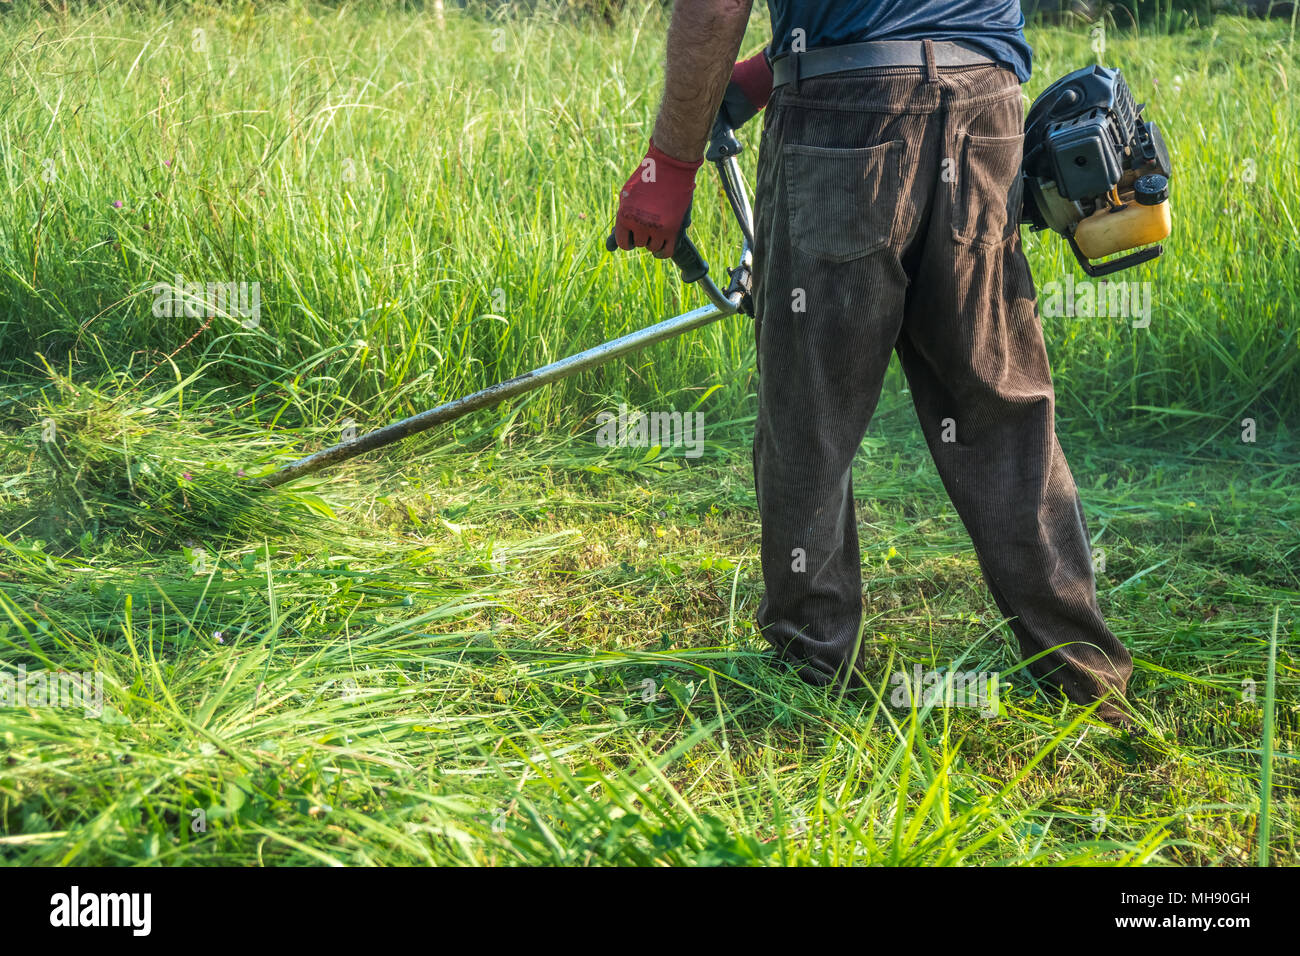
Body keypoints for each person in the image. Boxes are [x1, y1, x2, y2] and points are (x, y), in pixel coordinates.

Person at [609, 0, 1134, 726]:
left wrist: (669, 166)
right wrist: (768, 69)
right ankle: (1086, 683)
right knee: (1004, 414)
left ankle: (809, 679)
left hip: (846, 116)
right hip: (985, 106)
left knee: (810, 421)